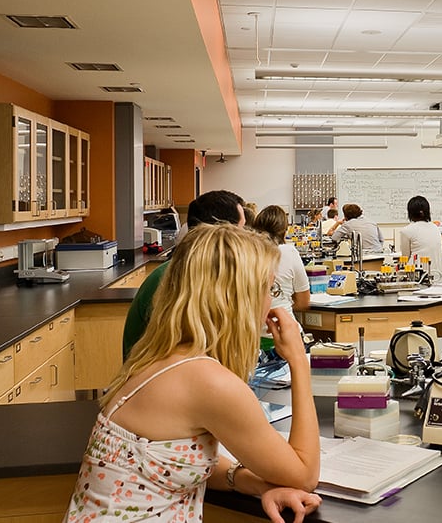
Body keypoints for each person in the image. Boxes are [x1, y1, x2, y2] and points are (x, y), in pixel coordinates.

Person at [67, 224, 322, 523]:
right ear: (237, 298)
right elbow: (304, 474)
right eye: (268, 289)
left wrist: (255, 483)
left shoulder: (156, 360)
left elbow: (172, 462)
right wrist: (299, 361)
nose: (270, 301)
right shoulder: (209, 382)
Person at [123, 190, 248, 357]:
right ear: (221, 232)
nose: (245, 237)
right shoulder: (173, 279)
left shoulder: (196, 271)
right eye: (241, 229)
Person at [252, 205, 311, 315]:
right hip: (282, 326)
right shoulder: (289, 252)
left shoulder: (246, 254)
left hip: (251, 329)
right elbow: (303, 302)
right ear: (285, 230)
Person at [399, 196, 442, 279]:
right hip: (439, 274)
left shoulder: (406, 230)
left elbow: (405, 257)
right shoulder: (435, 228)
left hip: (418, 274)